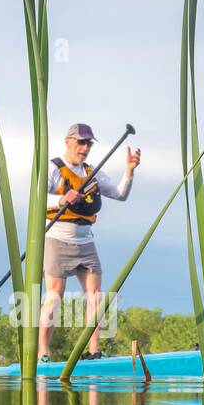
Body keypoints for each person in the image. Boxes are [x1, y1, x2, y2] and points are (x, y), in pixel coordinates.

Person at [37, 123, 141, 362]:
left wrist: (129, 171)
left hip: (85, 242)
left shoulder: (93, 172)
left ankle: (93, 352)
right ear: (68, 141)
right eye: (80, 142)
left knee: (95, 296)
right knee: (54, 296)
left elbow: (120, 194)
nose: (84, 148)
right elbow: (38, 199)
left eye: (88, 143)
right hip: (57, 239)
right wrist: (61, 197)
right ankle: (43, 353)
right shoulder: (54, 169)